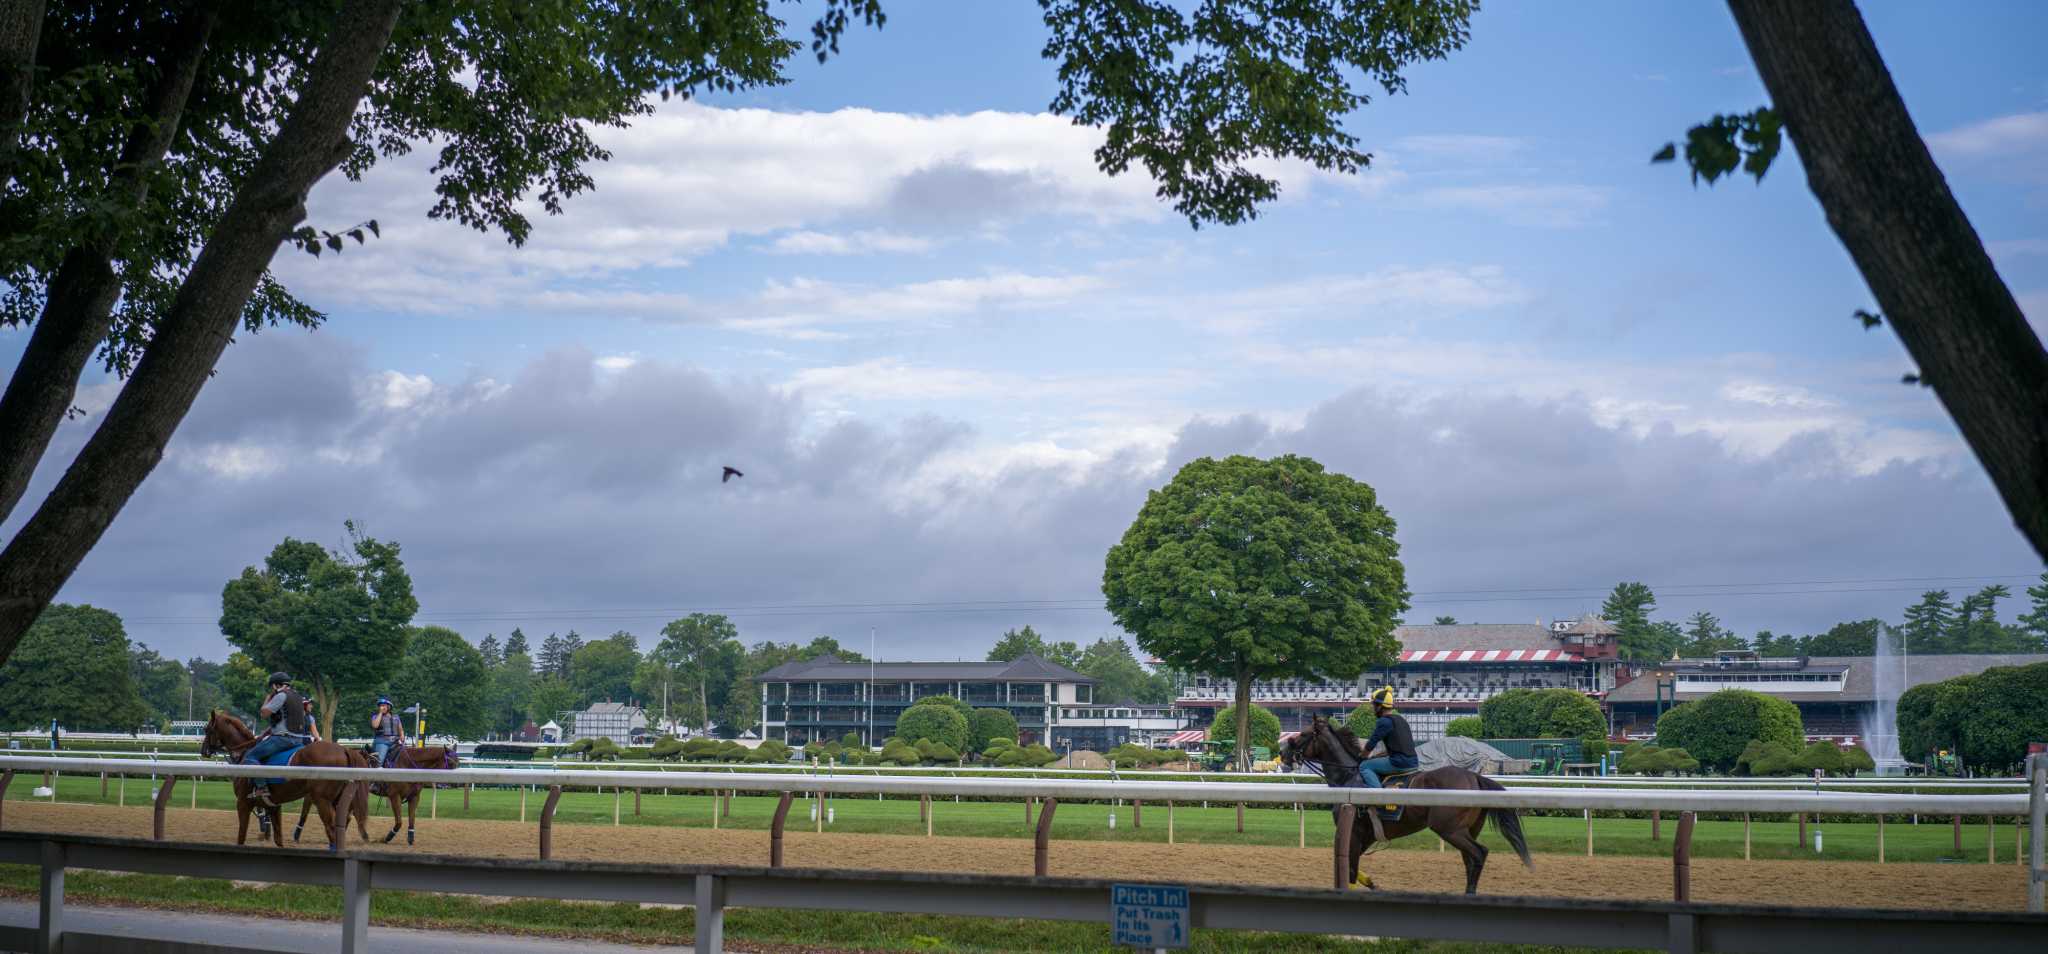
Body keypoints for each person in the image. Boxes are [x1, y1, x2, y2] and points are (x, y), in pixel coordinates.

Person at [243, 673, 313, 806]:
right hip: (299, 740)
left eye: (272, 687)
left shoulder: (281, 695)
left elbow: (264, 713)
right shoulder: (298, 697)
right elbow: (283, 719)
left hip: (283, 739)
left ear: (276, 685)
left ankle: (262, 787)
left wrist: (267, 699)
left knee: (250, 756)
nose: (272, 690)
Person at [1357, 686, 1419, 788]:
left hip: (1400, 763)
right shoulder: (1401, 719)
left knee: (1364, 766)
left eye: (1373, 705)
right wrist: (1377, 756)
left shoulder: (1384, 721)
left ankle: (1378, 795)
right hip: (1415, 762)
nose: (1372, 708)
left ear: (1379, 707)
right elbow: (1398, 747)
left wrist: (1361, 757)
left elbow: (1370, 745)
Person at [370, 697, 407, 768]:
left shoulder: (396, 717)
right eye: (380, 706)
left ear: (389, 707)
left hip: (396, 742)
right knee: (379, 761)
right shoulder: (375, 716)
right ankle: (376, 772)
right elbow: (375, 725)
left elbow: (401, 729)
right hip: (382, 742)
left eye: (383, 706)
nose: (381, 707)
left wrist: (402, 736)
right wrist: (380, 713)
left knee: (406, 756)